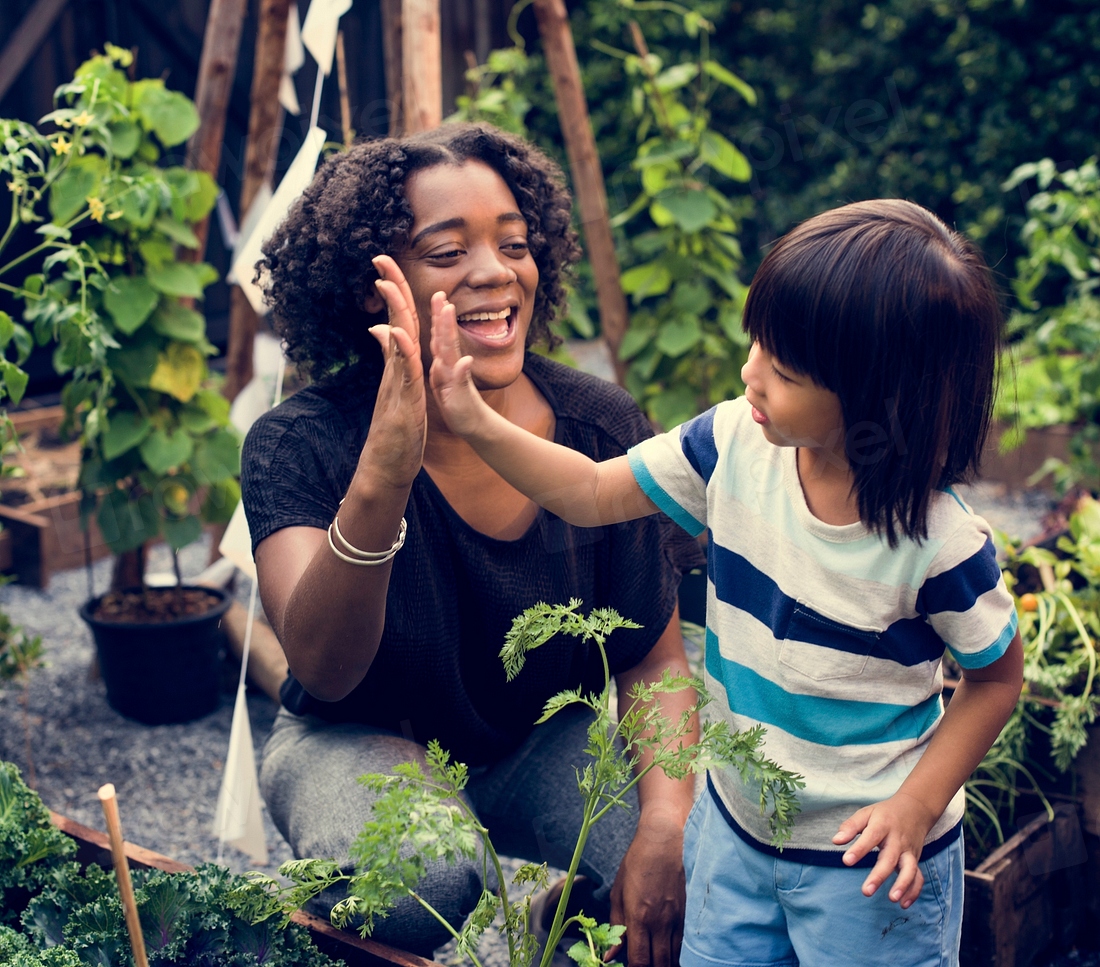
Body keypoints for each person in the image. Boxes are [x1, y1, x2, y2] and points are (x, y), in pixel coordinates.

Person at [422, 198, 1024, 966]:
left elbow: (997, 679)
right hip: (734, 830)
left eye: (783, 366)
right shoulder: (734, 440)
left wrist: (916, 804)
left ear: (877, 399)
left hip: (866, 866)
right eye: (757, 345)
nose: (751, 373)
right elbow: (591, 489)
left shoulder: (937, 542)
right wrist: (475, 421)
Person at [240, 123, 704, 964]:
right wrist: (382, 476)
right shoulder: (298, 442)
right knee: (421, 879)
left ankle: (544, 915)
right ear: (369, 286)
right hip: (355, 738)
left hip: (535, 739)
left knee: (690, 872)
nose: (495, 271)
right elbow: (323, 665)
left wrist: (669, 824)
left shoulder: (595, 428)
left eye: (514, 244)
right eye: (447, 252)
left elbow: (652, 660)